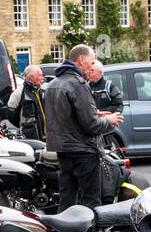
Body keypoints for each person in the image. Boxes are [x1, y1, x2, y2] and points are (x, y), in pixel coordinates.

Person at [44, 44, 119, 208]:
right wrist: (110, 120)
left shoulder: (52, 85)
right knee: (90, 201)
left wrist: (96, 114)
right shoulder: (78, 84)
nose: (92, 67)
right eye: (91, 63)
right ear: (81, 60)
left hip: (63, 152)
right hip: (84, 152)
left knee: (67, 199)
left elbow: (65, 118)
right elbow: (91, 126)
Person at [7, 64, 47, 140]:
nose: (42, 78)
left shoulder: (43, 90)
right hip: (30, 137)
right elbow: (11, 115)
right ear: (32, 77)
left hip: (47, 136)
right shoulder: (19, 93)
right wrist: (26, 127)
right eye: (40, 75)